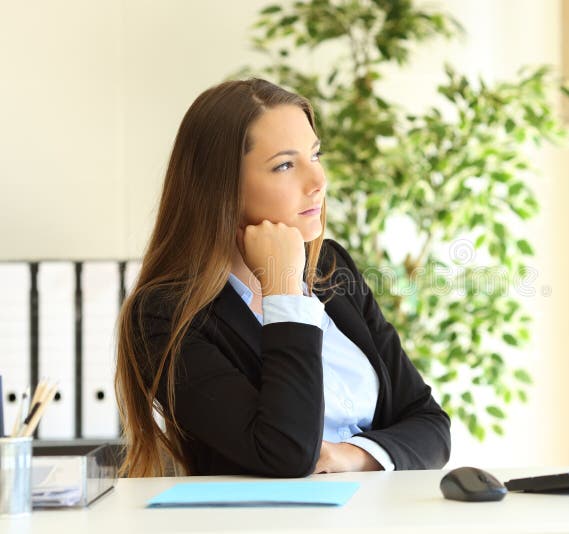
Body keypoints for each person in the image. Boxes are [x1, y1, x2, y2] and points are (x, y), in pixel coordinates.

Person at [114, 79, 451, 477]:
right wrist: (284, 292)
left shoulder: (331, 268)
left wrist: (351, 455)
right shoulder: (165, 314)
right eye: (285, 165)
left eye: (315, 155)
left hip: (373, 505)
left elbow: (431, 425)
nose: (318, 182)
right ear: (221, 187)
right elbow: (286, 454)